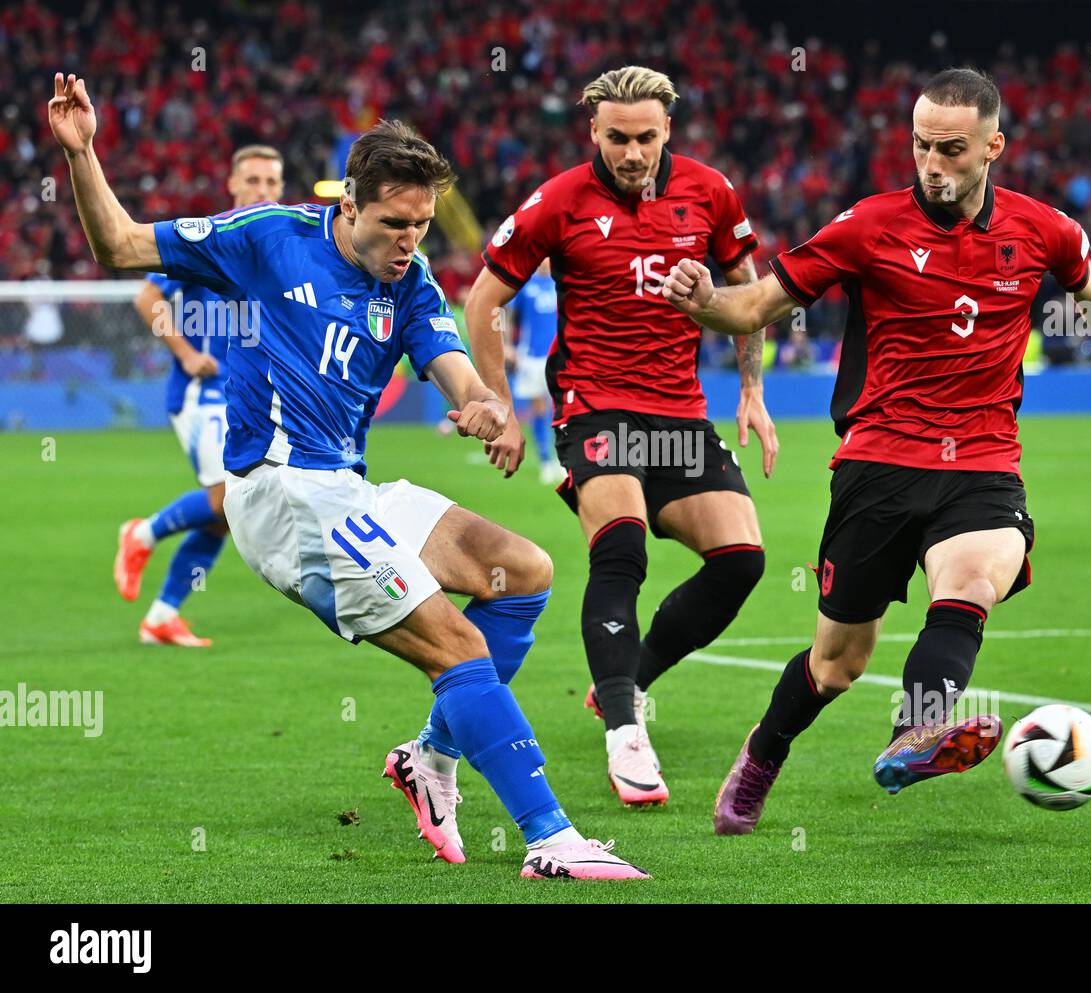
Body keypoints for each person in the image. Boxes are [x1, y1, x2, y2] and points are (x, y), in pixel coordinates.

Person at [49, 71, 646, 881]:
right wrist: (82, 153)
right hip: (282, 494)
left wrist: (485, 406)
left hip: (349, 486)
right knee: (459, 644)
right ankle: (550, 838)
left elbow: (457, 373)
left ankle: (430, 758)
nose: (410, 241)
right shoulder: (265, 237)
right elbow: (117, 245)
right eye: (395, 224)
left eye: (423, 225)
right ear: (349, 209)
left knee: (523, 571)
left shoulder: (412, 281)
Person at [661, 68, 1091, 835]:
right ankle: (763, 751)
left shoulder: (1042, 229)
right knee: (836, 665)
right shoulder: (865, 227)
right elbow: (753, 304)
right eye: (921, 145)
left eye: (951, 149)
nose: (932, 163)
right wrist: (704, 302)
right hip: (880, 461)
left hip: (984, 457)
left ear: (993, 146)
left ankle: (915, 732)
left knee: (976, 577)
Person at [465, 66, 778, 808]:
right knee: (623, 545)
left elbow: (751, 291)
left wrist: (753, 388)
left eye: (644, 137)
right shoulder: (559, 200)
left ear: (667, 129)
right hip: (594, 407)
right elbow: (483, 300)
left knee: (741, 560)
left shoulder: (710, 192)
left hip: (679, 413)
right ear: (593, 132)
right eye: (616, 138)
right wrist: (501, 406)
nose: (631, 153)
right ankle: (625, 733)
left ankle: (627, 681)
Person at [115, 145, 284, 646]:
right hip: (202, 391)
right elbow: (147, 297)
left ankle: (162, 615)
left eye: (272, 183)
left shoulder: (279, 247)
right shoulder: (207, 236)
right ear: (232, 186)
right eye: (253, 181)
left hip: (249, 398)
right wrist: (187, 354)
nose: (263, 191)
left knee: (228, 513)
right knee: (227, 496)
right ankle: (142, 534)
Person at [505, 259, 564, 483]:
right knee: (539, 408)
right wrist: (508, 345)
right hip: (531, 355)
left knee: (560, 409)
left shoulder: (560, 283)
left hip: (558, 356)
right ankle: (546, 460)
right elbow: (509, 315)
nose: (545, 262)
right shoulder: (526, 286)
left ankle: (561, 459)